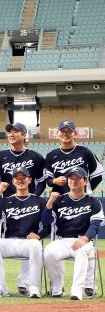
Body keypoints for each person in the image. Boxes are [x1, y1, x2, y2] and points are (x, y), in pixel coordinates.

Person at [43, 120, 104, 297]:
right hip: (60, 205)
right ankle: (57, 287)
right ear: (58, 134)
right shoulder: (52, 155)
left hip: (82, 230)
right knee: (49, 252)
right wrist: (54, 185)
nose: (65, 134)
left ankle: (79, 289)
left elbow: (98, 174)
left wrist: (86, 190)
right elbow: (47, 181)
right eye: (62, 131)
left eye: (69, 131)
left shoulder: (85, 152)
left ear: (75, 133)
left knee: (84, 250)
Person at [0, 167, 47, 298]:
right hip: (10, 241)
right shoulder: (6, 200)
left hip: (28, 243)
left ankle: (33, 286)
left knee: (36, 245)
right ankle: (1, 286)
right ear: (13, 181)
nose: (20, 180)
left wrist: (39, 235)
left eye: (23, 177)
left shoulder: (39, 200)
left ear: (30, 180)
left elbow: (47, 225)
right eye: (17, 178)